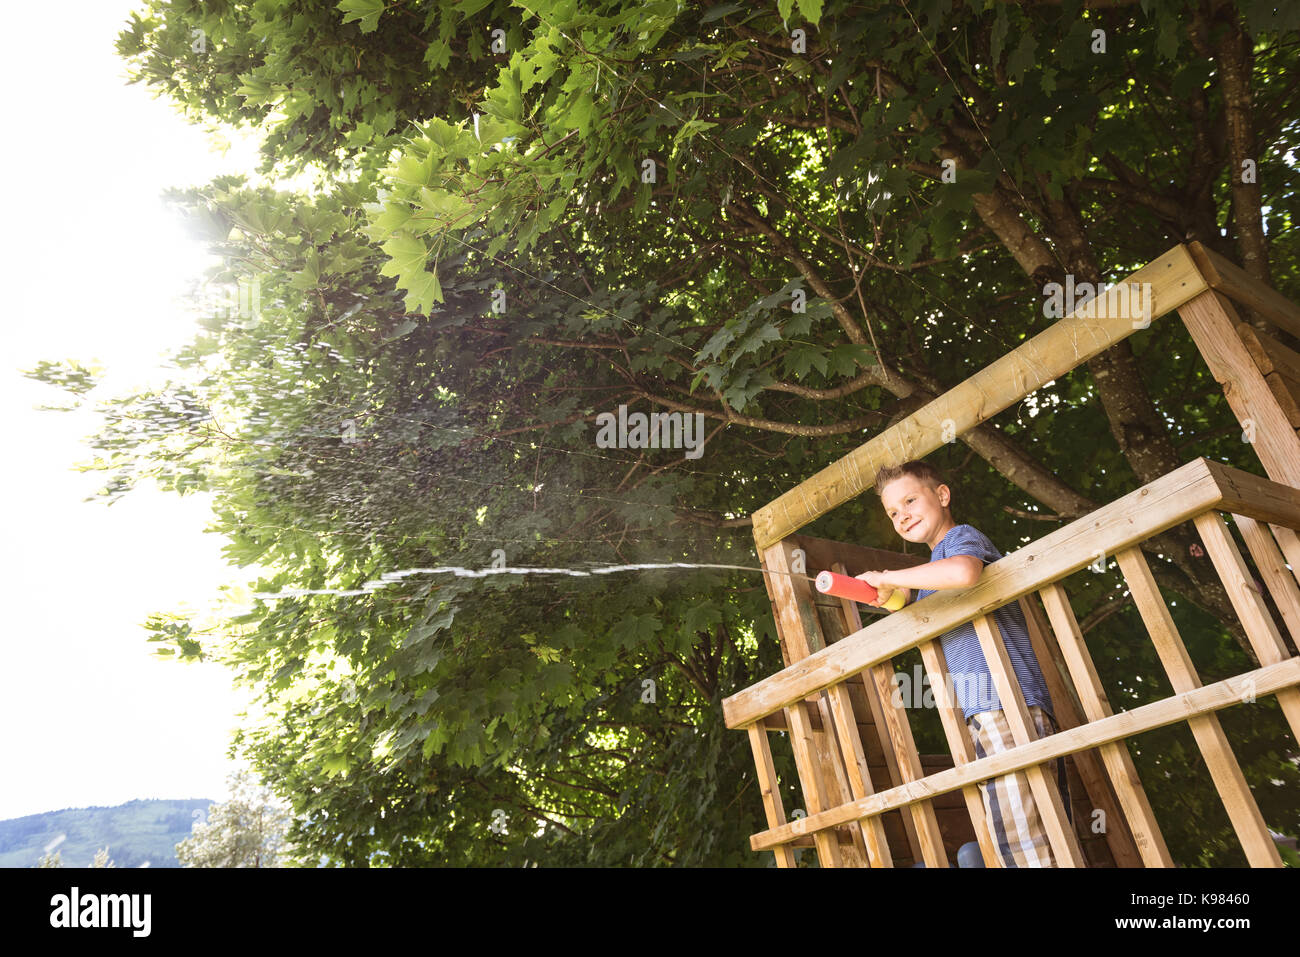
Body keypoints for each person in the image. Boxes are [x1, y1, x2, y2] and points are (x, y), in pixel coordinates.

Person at [856, 459, 1073, 868]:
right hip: (988, 707)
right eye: (893, 512)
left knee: (1025, 834)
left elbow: (964, 573)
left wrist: (891, 576)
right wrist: (890, 595)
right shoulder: (933, 571)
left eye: (909, 500)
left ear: (942, 496)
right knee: (1025, 824)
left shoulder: (959, 539)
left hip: (1006, 701)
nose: (902, 515)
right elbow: (918, 602)